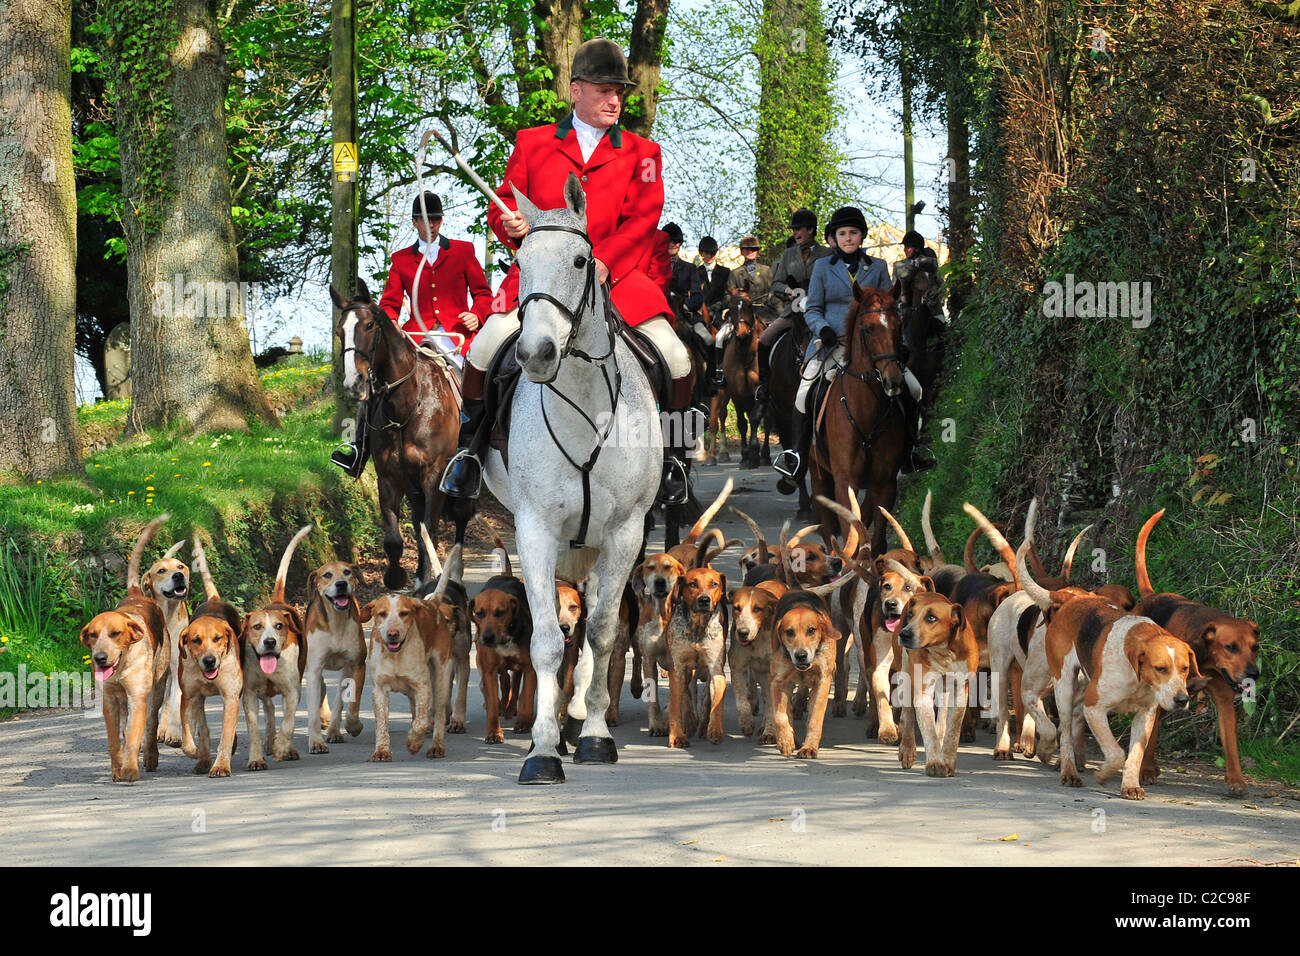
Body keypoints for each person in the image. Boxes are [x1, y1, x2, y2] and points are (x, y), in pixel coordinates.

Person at [439, 37, 699, 504]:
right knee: (483, 347)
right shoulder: (532, 143)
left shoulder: (644, 153)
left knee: (676, 357)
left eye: (619, 91)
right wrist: (511, 226)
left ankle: (675, 458)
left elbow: (644, 218)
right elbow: (505, 206)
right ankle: (470, 452)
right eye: (604, 90)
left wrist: (606, 261)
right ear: (576, 90)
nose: (615, 99)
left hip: (615, 276)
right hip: (542, 280)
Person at [331, 191, 494, 477]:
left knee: (474, 384)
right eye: (425, 220)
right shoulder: (401, 258)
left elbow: (483, 294)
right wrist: (391, 323)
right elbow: (390, 305)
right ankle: (358, 448)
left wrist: (477, 314)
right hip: (416, 337)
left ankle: (476, 450)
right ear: (414, 222)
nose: (431, 225)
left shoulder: (463, 251)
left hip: (455, 339)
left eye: (436, 220)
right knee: (379, 383)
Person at [772, 206, 890, 487]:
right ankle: (798, 456)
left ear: (861, 236)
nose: (848, 238)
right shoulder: (824, 267)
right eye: (842, 234)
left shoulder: (878, 267)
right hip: (832, 341)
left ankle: (911, 451)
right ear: (834, 238)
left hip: (873, 345)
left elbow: (889, 307)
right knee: (803, 393)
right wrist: (822, 328)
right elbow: (812, 307)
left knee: (912, 387)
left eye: (853, 233)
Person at [755, 208, 831, 403]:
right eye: (794, 229)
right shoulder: (788, 254)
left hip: (821, 310)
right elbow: (776, 283)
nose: (795, 232)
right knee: (765, 338)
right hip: (794, 309)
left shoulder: (828, 254)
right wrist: (790, 291)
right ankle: (764, 384)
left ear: (812, 230)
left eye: (800, 229)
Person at [711, 236, 772, 386]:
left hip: (763, 315)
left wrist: (767, 304)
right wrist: (734, 300)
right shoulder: (735, 273)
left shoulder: (766, 271)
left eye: (754, 249)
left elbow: (773, 292)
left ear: (758, 252)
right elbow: (727, 296)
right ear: (742, 252)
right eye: (747, 249)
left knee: (772, 338)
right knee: (719, 337)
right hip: (740, 316)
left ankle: (770, 371)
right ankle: (720, 372)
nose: (750, 252)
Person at [892, 228, 946, 321]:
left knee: (942, 326)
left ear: (917, 248)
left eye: (908, 247)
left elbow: (940, 284)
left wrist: (933, 296)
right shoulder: (899, 266)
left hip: (932, 310)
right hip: (908, 312)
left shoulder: (930, 262)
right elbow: (894, 290)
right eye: (904, 247)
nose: (905, 250)